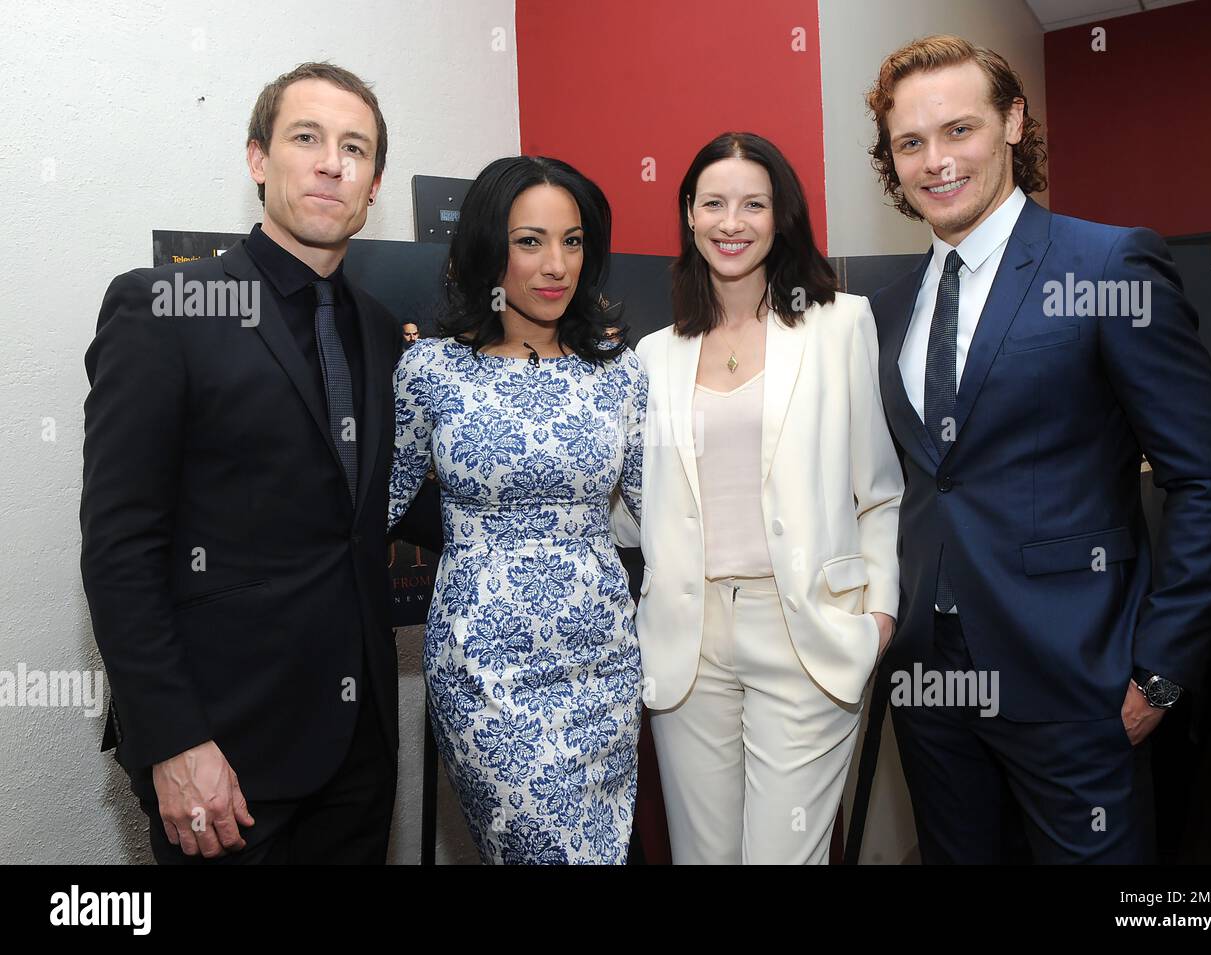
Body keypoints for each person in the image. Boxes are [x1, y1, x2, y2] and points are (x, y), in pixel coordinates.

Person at [866, 35, 1211, 863]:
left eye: (959, 130)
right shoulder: (886, 309)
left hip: (1077, 675)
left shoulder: (1109, 263)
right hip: (928, 679)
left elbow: (1209, 480)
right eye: (910, 143)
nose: (936, 161)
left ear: (1013, 122)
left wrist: (1160, 670)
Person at [80, 62, 439, 864]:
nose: (329, 162)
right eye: (306, 137)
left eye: (354, 148)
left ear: (373, 184)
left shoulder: (384, 334)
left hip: (360, 749)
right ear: (257, 158)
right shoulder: (166, 306)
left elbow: (391, 508)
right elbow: (119, 549)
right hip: (223, 760)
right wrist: (174, 741)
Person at [632, 132, 903, 864]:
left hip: (804, 633)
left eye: (754, 204)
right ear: (688, 213)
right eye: (713, 203)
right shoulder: (653, 355)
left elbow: (878, 489)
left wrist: (877, 617)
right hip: (690, 643)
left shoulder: (840, 323)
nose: (732, 222)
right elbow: (642, 500)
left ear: (781, 215)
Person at [388, 155, 646, 864]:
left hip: (603, 664)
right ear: (485, 248)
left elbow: (665, 511)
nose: (555, 264)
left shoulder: (619, 372)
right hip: (485, 670)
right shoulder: (432, 370)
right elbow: (371, 506)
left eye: (572, 240)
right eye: (529, 240)